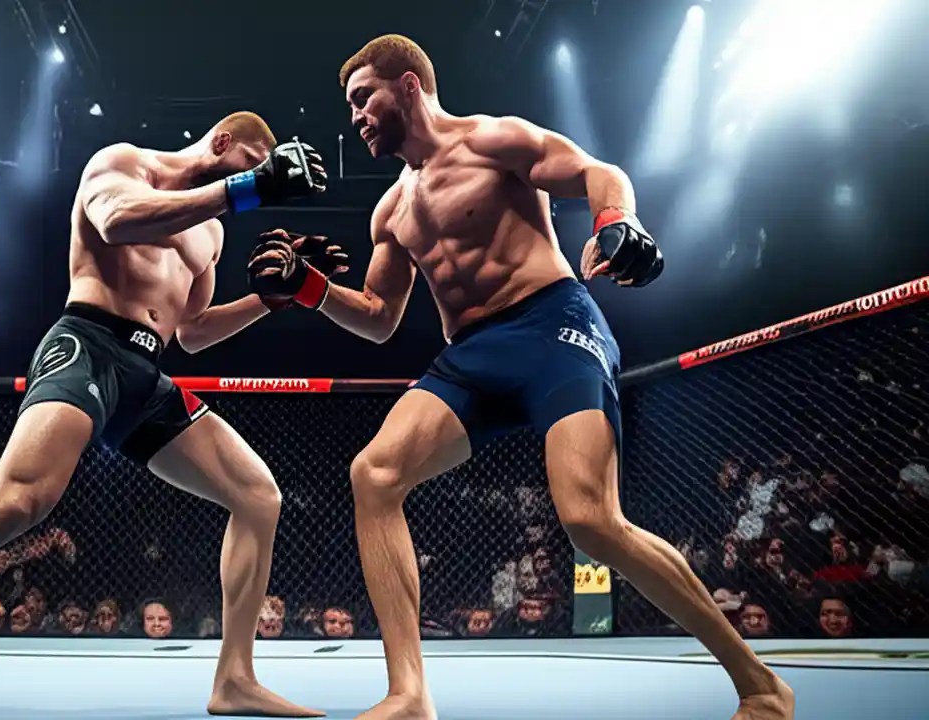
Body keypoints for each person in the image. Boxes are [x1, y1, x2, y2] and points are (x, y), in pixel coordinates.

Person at [248, 34, 793, 720]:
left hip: (553, 328)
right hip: (470, 356)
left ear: (409, 85)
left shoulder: (490, 140)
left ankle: (760, 683)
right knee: (374, 474)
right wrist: (310, 288)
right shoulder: (389, 210)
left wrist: (617, 220)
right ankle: (409, 694)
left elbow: (598, 172)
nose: (355, 117)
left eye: (363, 98)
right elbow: (381, 318)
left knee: (590, 521)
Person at [0, 111, 330, 719]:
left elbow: (193, 333)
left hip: (147, 375)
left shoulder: (213, 231)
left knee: (258, 495)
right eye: (256, 166)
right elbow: (118, 221)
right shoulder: (126, 162)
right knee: (15, 503)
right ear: (223, 143)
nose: (264, 181)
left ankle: (234, 679)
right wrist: (249, 186)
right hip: (88, 346)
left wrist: (271, 300)